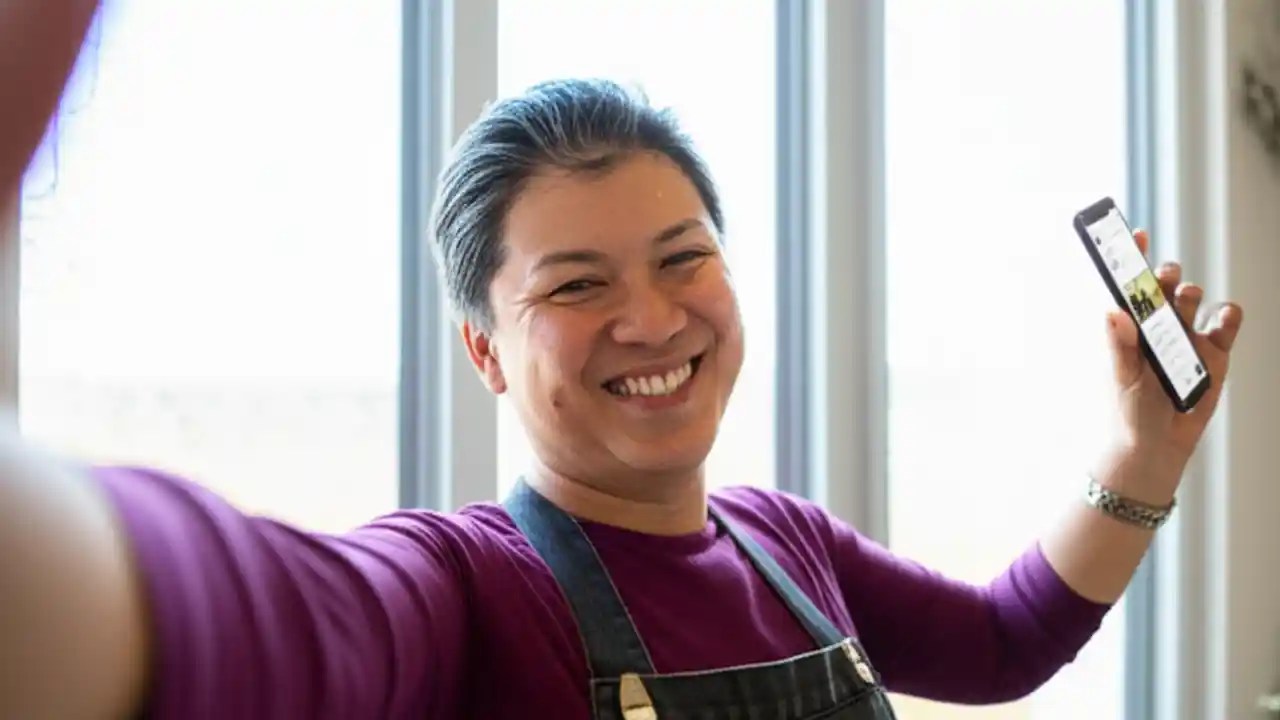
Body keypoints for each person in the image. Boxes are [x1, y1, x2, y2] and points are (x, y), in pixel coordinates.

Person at [0, 7, 1247, 720]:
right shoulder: (462, 587)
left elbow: (994, 645)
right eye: (576, 285)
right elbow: (263, 626)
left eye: (680, 259)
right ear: (484, 348)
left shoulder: (788, 543)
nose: (651, 322)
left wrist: (1142, 449)